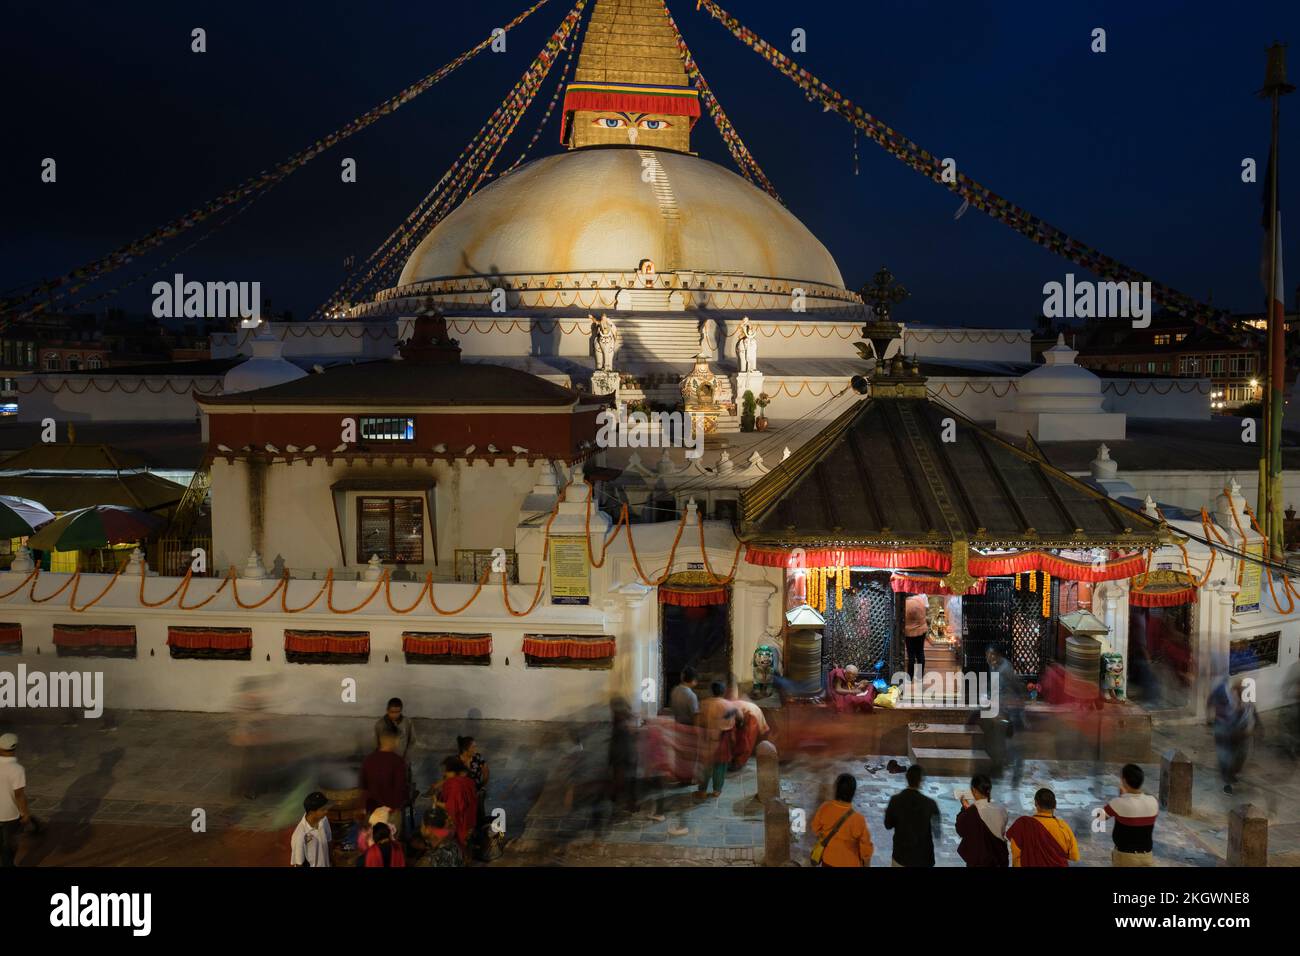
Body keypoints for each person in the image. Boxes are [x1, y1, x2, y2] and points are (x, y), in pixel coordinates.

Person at [810, 773, 874, 867]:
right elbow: (865, 847)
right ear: (853, 792)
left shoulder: (825, 808)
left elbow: (815, 827)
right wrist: (867, 862)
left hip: (828, 860)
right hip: (850, 862)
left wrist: (824, 836)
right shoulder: (858, 819)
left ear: (836, 790)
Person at [883, 764, 940, 867]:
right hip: (923, 858)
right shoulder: (930, 804)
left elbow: (888, 825)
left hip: (901, 856)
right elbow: (937, 832)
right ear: (921, 781)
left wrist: (888, 813)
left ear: (906, 778)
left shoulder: (895, 801)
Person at [984, 646, 1025, 786]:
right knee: (1000, 740)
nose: (989, 659)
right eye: (987, 655)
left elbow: (1016, 687)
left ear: (998, 655)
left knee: (1011, 743)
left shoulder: (1006, 669)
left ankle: (1016, 772)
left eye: (991, 655)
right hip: (1001, 708)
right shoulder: (993, 666)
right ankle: (1001, 768)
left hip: (1011, 710)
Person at [1006, 788, 1079, 867]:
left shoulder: (1023, 824)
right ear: (1055, 805)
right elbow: (1074, 856)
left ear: (1036, 803)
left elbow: (1016, 854)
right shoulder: (1063, 827)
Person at [1105, 764, 1159, 866]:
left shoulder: (1118, 803)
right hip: (1147, 856)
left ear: (1124, 781)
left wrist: (1121, 797)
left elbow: (1100, 817)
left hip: (1125, 857)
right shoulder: (1153, 801)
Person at [954, 773, 1008, 867]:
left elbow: (960, 830)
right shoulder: (1001, 810)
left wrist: (965, 808)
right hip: (998, 859)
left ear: (974, 790)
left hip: (979, 860)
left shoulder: (971, 812)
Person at [360, 732, 409, 835]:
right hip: (390, 812)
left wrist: (364, 809)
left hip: (372, 811)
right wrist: (396, 807)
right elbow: (399, 788)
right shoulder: (397, 761)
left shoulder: (369, 760)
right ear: (394, 742)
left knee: (373, 842)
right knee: (391, 842)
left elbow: (363, 787)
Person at [696, 681, 737, 799]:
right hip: (722, 738)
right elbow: (732, 723)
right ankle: (717, 790)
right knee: (720, 765)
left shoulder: (704, 704)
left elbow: (699, 721)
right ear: (723, 692)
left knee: (705, 765)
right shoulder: (728, 705)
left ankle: (702, 790)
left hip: (706, 737)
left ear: (711, 691)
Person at [432, 756, 478, 851]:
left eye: (447, 771)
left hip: (461, 824)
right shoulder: (468, 781)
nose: (444, 774)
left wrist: (436, 802)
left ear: (454, 771)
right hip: (471, 821)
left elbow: (452, 807)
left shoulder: (454, 785)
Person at [0, 733, 32, 868]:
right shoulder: (17, 769)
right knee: (8, 845)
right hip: (9, 814)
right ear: (15, 747)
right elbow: (19, 795)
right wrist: (25, 813)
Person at [724, 683, 771, 769]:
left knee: (747, 740)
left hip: (752, 714)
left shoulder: (728, 707)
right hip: (746, 714)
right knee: (742, 738)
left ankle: (739, 763)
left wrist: (740, 726)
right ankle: (736, 760)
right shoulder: (726, 706)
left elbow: (738, 716)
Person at [290, 791, 333, 867]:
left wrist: (331, 861)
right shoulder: (300, 835)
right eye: (323, 810)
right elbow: (299, 864)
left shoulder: (324, 820)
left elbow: (329, 841)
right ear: (311, 812)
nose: (326, 811)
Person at [903, 593, 929, 679]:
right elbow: (925, 612)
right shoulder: (920, 600)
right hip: (921, 629)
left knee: (911, 655)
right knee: (920, 652)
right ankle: (920, 676)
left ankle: (910, 676)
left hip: (909, 631)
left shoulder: (905, 602)